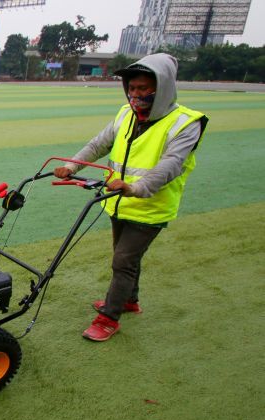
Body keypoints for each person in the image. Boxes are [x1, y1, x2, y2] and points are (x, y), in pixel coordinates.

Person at [54, 53, 208, 342]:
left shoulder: (186, 123)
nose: (136, 95)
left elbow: (171, 165)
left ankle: (109, 318)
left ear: (162, 88)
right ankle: (129, 300)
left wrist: (134, 187)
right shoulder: (125, 113)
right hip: (118, 201)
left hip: (151, 207)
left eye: (143, 89)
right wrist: (72, 165)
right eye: (132, 88)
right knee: (124, 257)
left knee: (123, 260)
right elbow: (99, 144)